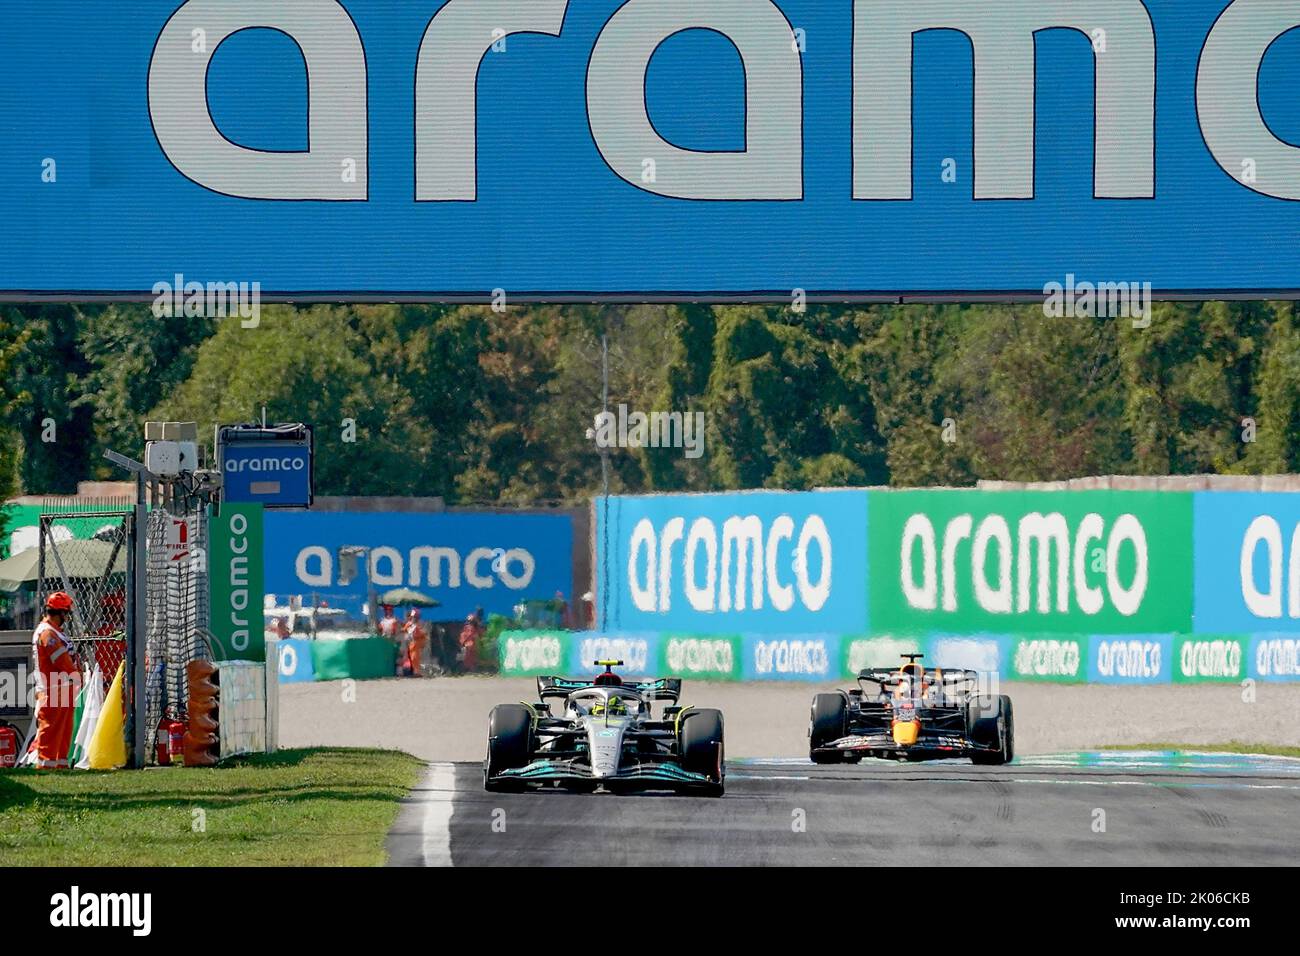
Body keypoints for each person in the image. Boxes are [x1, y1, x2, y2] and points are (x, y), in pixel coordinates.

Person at [32, 592, 81, 770]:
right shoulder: (47, 633)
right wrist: (75, 675)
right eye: (66, 614)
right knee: (51, 728)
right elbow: (60, 659)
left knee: (64, 729)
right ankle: (46, 765)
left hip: (62, 687)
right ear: (60, 613)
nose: (67, 618)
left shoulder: (53, 632)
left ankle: (60, 764)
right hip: (53, 687)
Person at [458, 608, 485, 673]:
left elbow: (480, 630)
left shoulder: (478, 621)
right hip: (468, 639)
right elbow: (469, 626)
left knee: (472, 655)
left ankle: (470, 668)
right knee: (468, 655)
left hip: (472, 639)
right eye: (479, 612)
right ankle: (465, 669)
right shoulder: (472, 618)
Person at [404, 609, 428, 678]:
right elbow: (404, 630)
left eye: (416, 617)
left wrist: (419, 632)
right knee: (412, 658)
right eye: (413, 617)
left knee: (415, 658)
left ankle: (417, 672)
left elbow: (424, 633)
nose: (414, 618)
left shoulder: (420, 624)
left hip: (418, 643)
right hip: (411, 644)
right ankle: (415, 672)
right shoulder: (409, 624)